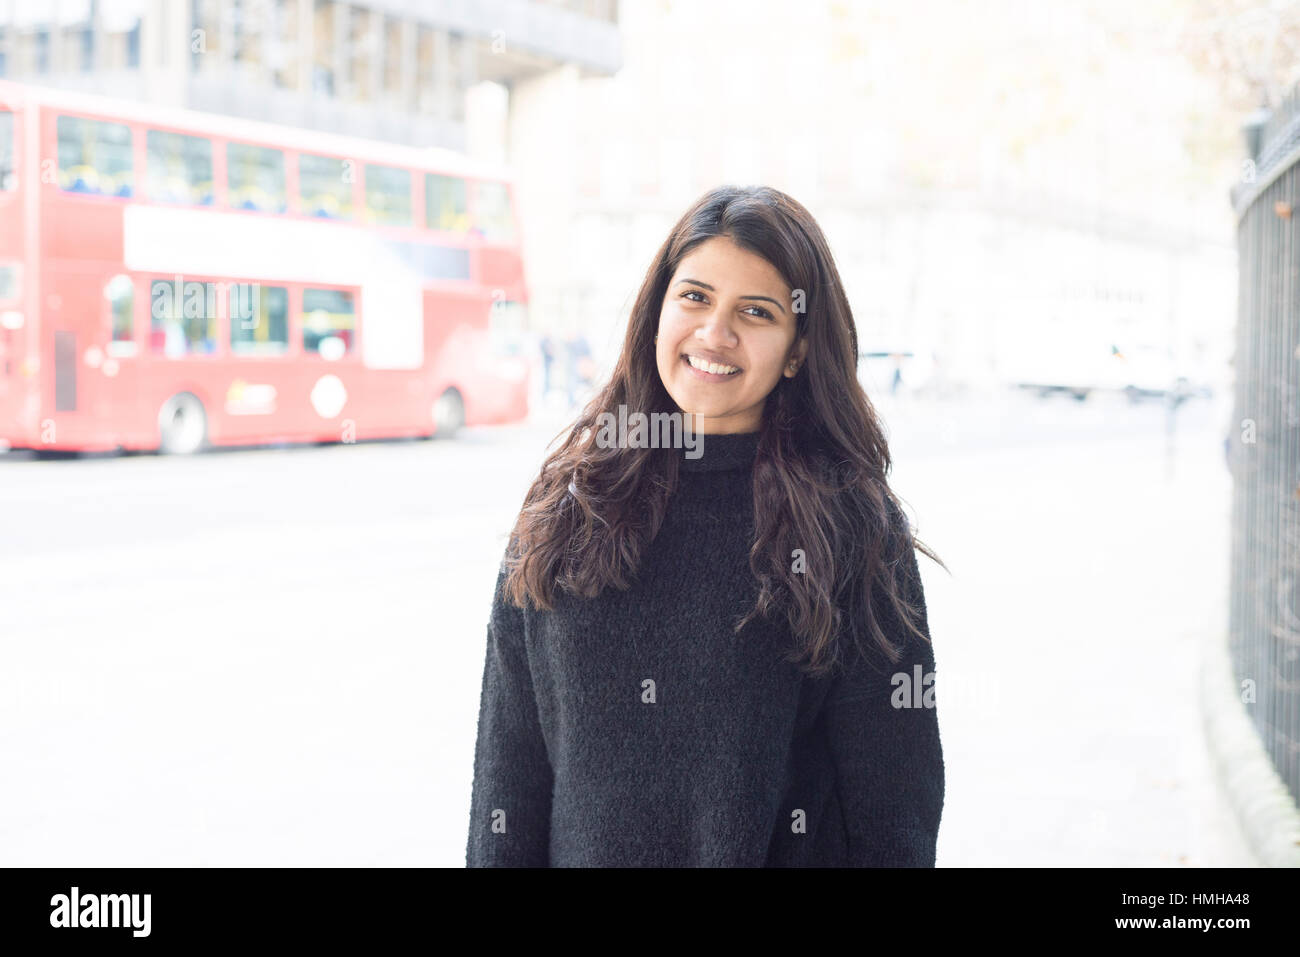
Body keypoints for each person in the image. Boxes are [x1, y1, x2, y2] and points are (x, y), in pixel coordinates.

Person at [466, 185, 947, 867]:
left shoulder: (851, 527)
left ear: (798, 349)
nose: (715, 333)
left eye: (755, 312)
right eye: (694, 297)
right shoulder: (566, 505)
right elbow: (507, 775)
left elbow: (896, 806)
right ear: (657, 310)